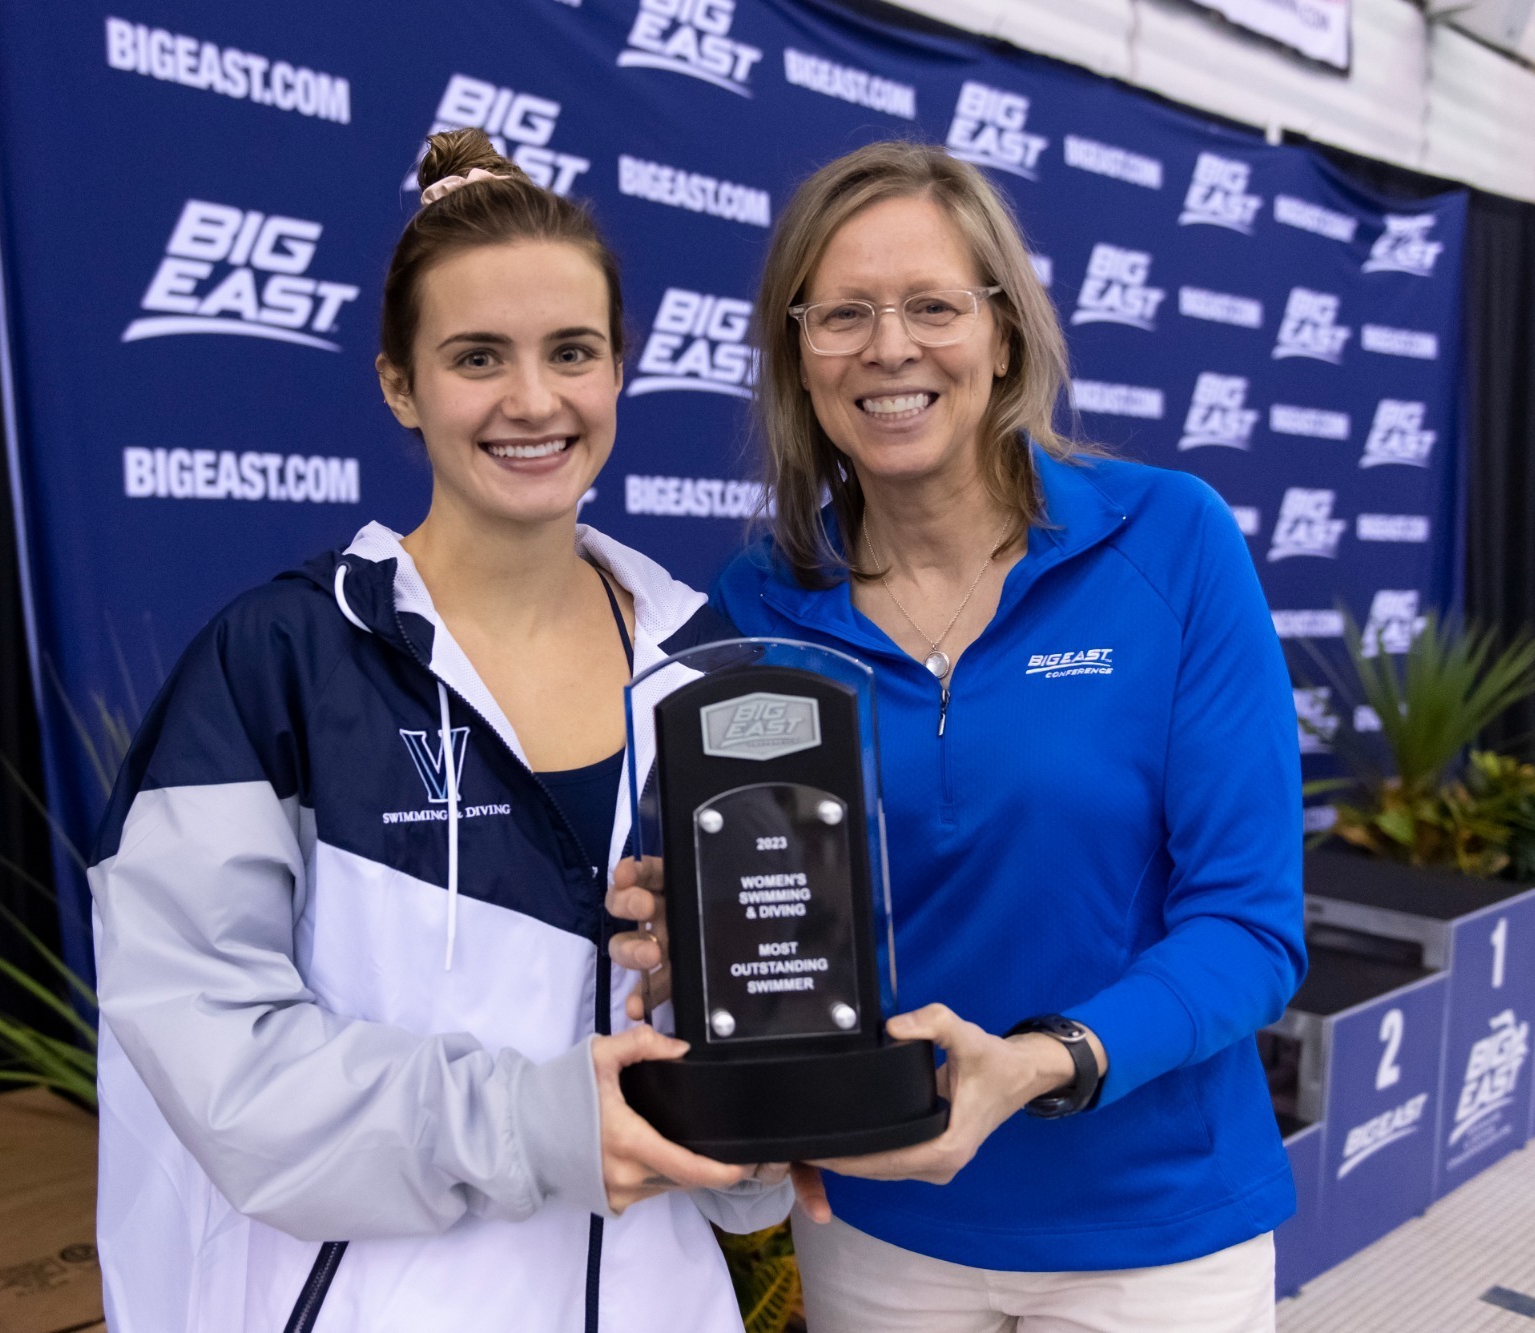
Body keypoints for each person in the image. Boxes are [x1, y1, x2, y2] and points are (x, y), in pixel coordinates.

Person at [88, 128, 788, 1333]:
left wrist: (752, 1059)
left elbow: (739, 1141)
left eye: (572, 351)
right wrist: (539, 1125)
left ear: (619, 370)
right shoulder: (280, 661)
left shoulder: (709, 674)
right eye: (477, 356)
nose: (532, 400)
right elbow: (219, 1064)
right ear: (398, 384)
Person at [615, 140, 1306, 1331]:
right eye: (840, 315)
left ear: (1002, 331)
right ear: (796, 356)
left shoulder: (1169, 544)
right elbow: (705, 891)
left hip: (1153, 1229)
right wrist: (684, 933)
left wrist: (1043, 1062)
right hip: (875, 1223)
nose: (889, 349)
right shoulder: (755, 604)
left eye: (931, 305)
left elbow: (1249, 925)